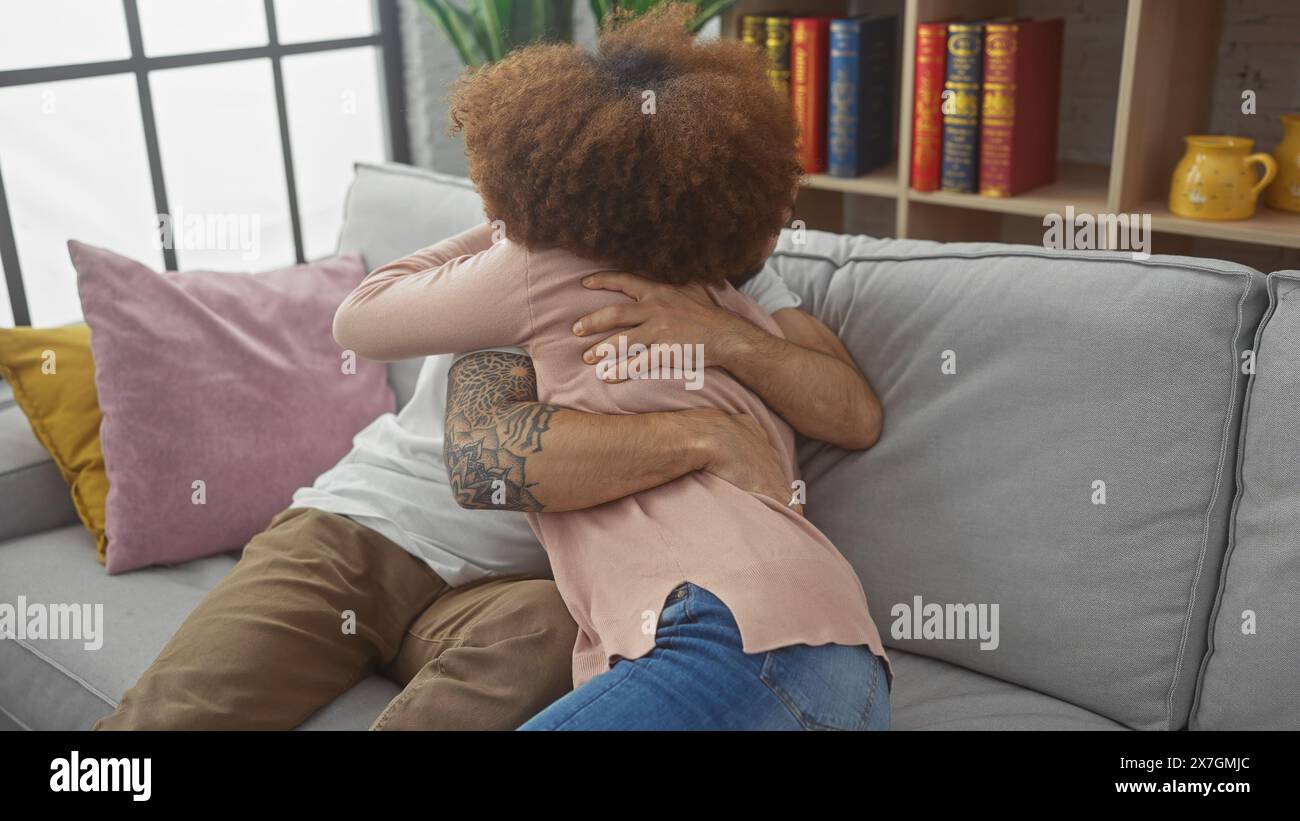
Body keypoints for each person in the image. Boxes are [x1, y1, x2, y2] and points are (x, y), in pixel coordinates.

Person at [332, 4, 891, 731]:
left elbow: (362, 316)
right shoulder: (731, 288)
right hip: (840, 660)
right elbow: (857, 411)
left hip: (728, 639)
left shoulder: (551, 271)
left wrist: (517, 215)